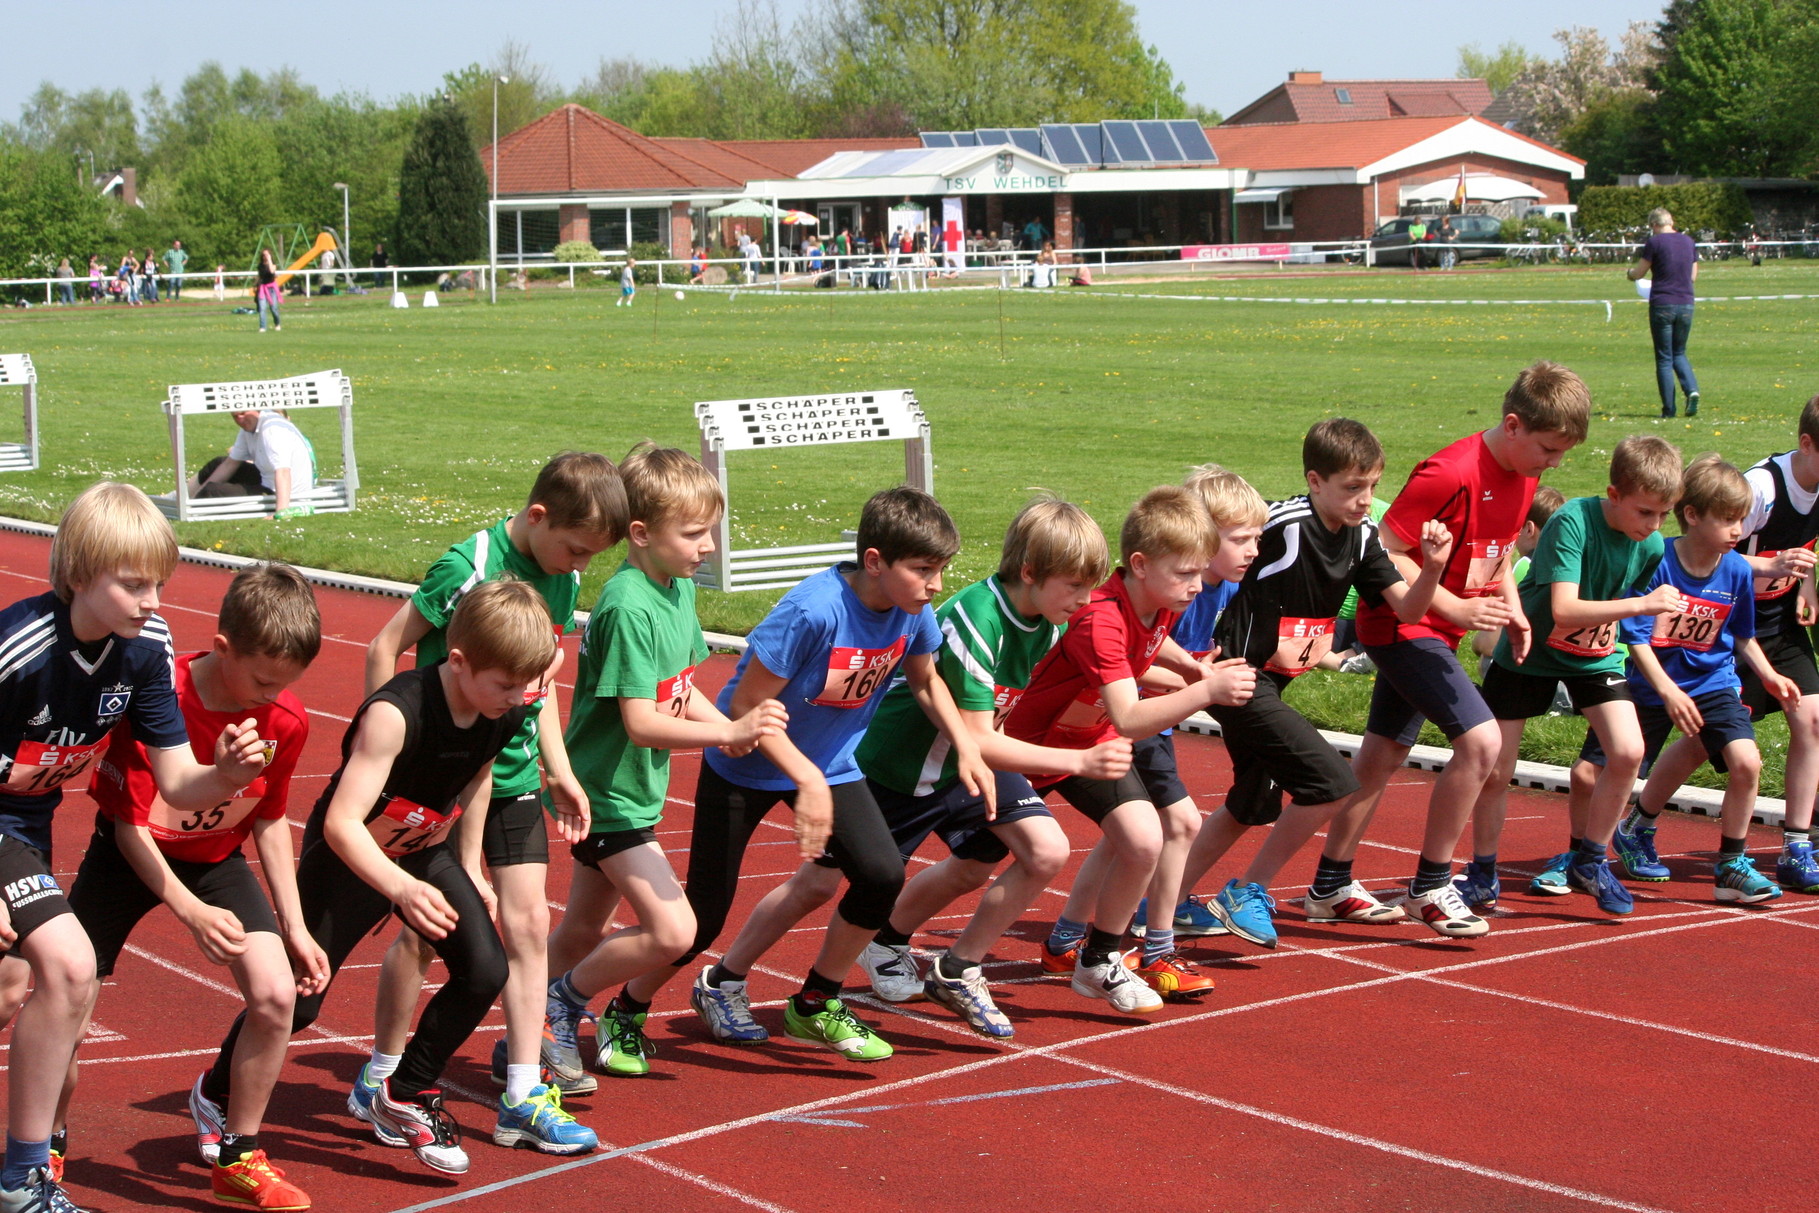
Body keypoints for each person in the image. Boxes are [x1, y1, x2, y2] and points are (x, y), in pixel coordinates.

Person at [614, 487, 986, 1064]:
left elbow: (926, 680)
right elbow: (744, 707)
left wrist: (967, 746)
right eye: (924, 570)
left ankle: (815, 1003)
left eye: (941, 570)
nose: (936, 584)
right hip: (744, 762)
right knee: (702, 918)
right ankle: (628, 1008)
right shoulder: (813, 610)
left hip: (830, 765)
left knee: (882, 874)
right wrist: (805, 779)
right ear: (875, 562)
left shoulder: (914, 611)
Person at [202, 580, 557, 1177]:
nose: (519, 697)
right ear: (461, 661)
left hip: (423, 848)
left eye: (526, 684)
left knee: (486, 967)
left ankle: (402, 1092)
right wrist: (399, 888)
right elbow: (342, 823)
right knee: (300, 999)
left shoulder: (506, 705)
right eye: (506, 685)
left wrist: (468, 864)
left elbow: (478, 777)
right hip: (353, 852)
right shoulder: (396, 712)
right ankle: (215, 1093)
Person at [752, 499, 1131, 1037]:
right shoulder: (979, 618)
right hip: (900, 766)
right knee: (819, 883)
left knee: (1039, 850)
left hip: (966, 763)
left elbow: (986, 735)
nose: (1084, 600)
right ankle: (728, 974)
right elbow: (978, 734)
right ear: (1030, 573)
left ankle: (955, 967)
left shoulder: (1047, 618)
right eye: (1074, 585)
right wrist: (1079, 760)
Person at [0, 481, 267, 1213]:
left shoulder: (147, 649)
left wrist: (227, 773)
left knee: (14, 986)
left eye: (159, 581)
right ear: (80, 573)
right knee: (71, 964)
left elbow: (178, 783)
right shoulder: (17, 646)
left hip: (23, 825)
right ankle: (23, 1180)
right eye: (133, 583)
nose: (153, 598)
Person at [364, 452, 625, 1147]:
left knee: (530, 925)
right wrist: (380, 751)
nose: (579, 564)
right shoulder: (468, 565)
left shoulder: (565, 575)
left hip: (512, 778)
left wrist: (558, 766)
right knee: (424, 935)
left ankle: (521, 1092)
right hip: (444, 782)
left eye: (591, 556)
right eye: (574, 548)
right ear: (538, 517)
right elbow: (386, 644)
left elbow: (535, 681)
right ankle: (382, 1072)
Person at [64, 564, 328, 1210]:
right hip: (130, 856)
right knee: (67, 997)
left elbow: (267, 819)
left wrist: (293, 925)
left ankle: (237, 1152)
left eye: (287, 683)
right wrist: (190, 911)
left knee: (275, 994)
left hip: (213, 858)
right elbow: (129, 824)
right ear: (223, 648)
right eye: (263, 679)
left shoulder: (284, 720)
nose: (273, 695)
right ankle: (46, 1140)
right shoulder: (161, 693)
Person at [1317, 363, 1589, 930]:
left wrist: (1510, 603)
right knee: (1482, 740)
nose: (1554, 463)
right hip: (1399, 625)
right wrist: (1456, 607)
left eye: (1561, 453)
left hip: (1441, 629)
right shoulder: (1449, 472)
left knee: (1383, 754)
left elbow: (1500, 546)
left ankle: (1329, 885)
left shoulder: (1525, 472)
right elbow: (1385, 551)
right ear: (1513, 426)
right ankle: (1431, 885)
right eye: (1547, 448)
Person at [542, 446, 784, 1078]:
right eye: (694, 533)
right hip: (606, 792)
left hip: (631, 791)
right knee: (676, 930)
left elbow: (676, 686)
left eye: (712, 531)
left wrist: (721, 727)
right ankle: (561, 1003)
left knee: (579, 931)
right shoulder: (628, 605)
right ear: (642, 534)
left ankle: (524, 1025)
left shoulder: (674, 589)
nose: (708, 546)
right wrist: (725, 730)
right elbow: (641, 721)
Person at [1176, 425, 1456, 947]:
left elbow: (1409, 610)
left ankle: (1162, 902)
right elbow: (1209, 542)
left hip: (1272, 684)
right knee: (1331, 782)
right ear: (1315, 481)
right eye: (1352, 487)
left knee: (1249, 803)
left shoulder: (1364, 536)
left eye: (1372, 485)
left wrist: (1432, 569)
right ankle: (1248, 890)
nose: (1365, 499)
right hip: (1236, 677)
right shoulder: (1283, 526)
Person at [1010, 486, 1256, 1013]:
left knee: (1146, 839)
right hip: (1028, 747)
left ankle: (1097, 960)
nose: (1196, 587)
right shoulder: (1100, 618)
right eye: (1185, 573)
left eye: (1199, 572)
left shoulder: (1157, 603)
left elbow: (1145, 649)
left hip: (1089, 743)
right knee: (972, 864)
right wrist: (1204, 691)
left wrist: (1191, 667)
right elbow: (1130, 716)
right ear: (1140, 565)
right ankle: (897, 941)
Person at [1468, 435, 1684, 916]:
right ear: (1614, 495)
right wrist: (1642, 605)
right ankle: (1482, 870)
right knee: (1496, 771)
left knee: (1628, 751)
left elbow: (1616, 593)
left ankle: (1590, 858)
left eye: (1663, 515)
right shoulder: (1572, 523)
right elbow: (1564, 610)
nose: (1653, 526)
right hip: (1532, 650)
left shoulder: (1646, 543)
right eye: (1645, 512)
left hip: (1594, 656)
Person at [1580, 456, 1801, 903]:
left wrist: (1769, 675)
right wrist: (1667, 690)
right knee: (1593, 772)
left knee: (1747, 762)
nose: (1738, 531)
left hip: (1713, 683)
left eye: (1741, 519)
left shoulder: (1737, 570)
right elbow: (1635, 635)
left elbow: (1741, 635)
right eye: (1727, 520)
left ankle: (1731, 866)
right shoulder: (1658, 560)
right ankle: (1586, 854)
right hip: (1649, 685)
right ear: (1694, 515)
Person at [1652, 398, 1819, 893]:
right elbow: (1710, 555)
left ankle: (1796, 842)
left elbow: (1806, 546)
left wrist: (1804, 585)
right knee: (1705, 738)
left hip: (1781, 621)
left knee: (1811, 717)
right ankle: (1640, 820)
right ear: (1806, 444)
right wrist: (1770, 567)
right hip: (1733, 620)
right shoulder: (1762, 489)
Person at [1629, 207, 1700, 418]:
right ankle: (1692, 390)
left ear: (1654, 225)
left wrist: (1630, 274)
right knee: (1679, 352)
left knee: (1663, 358)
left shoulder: (1655, 242)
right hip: (1686, 302)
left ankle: (1669, 409)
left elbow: (1639, 272)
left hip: (1662, 303)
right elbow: (1693, 276)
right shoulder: (1688, 241)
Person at [188, 409, 316, 517]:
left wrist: (281, 512)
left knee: (213, 491)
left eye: (243, 413)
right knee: (218, 463)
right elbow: (230, 464)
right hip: (266, 478)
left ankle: (192, 510)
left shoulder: (272, 430)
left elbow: (283, 471)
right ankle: (185, 499)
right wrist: (197, 498)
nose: (240, 420)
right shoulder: (248, 429)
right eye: (235, 417)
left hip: (284, 490)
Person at [254, 249, 281, 332]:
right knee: (262, 308)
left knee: (274, 308)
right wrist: (256, 286)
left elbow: (272, 271)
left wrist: (269, 260)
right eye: (263, 255)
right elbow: (260, 276)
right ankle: (262, 327)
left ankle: (277, 323)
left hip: (272, 289)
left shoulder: (273, 265)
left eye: (267, 255)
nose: (265, 256)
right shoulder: (260, 266)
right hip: (262, 288)